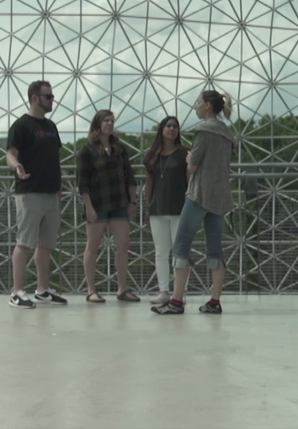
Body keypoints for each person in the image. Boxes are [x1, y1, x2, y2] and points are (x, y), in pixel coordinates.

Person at [151, 90, 234, 315]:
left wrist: (189, 159)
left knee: (181, 245)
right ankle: (215, 301)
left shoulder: (203, 131)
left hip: (199, 195)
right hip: (220, 196)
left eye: (198, 102)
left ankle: (176, 301)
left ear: (207, 106)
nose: (195, 106)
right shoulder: (227, 133)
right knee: (215, 249)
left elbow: (192, 166)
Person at [5, 80, 68, 308]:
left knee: (46, 244)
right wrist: (17, 166)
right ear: (34, 98)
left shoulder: (51, 126)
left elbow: (54, 157)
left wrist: (59, 185)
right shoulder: (21, 125)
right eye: (48, 96)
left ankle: (42, 290)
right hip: (30, 192)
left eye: (52, 96)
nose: (52, 100)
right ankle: (17, 292)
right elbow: (10, 153)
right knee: (25, 243)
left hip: (51, 193)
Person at [77, 109, 139, 303]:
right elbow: (83, 182)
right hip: (97, 204)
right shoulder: (87, 150)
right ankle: (91, 290)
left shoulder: (119, 149)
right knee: (93, 246)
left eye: (112, 121)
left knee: (124, 244)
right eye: (106, 120)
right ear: (98, 124)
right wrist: (88, 207)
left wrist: (133, 201)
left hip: (119, 202)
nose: (110, 124)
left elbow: (129, 176)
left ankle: (122, 288)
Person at [142, 116, 188, 305]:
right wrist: (147, 207)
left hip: (180, 208)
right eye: (168, 126)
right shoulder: (153, 156)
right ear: (162, 129)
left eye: (175, 126)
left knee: (180, 252)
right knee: (161, 252)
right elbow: (149, 182)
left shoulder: (184, 154)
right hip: (158, 208)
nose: (171, 129)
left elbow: (189, 180)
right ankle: (164, 290)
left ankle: (180, 292)